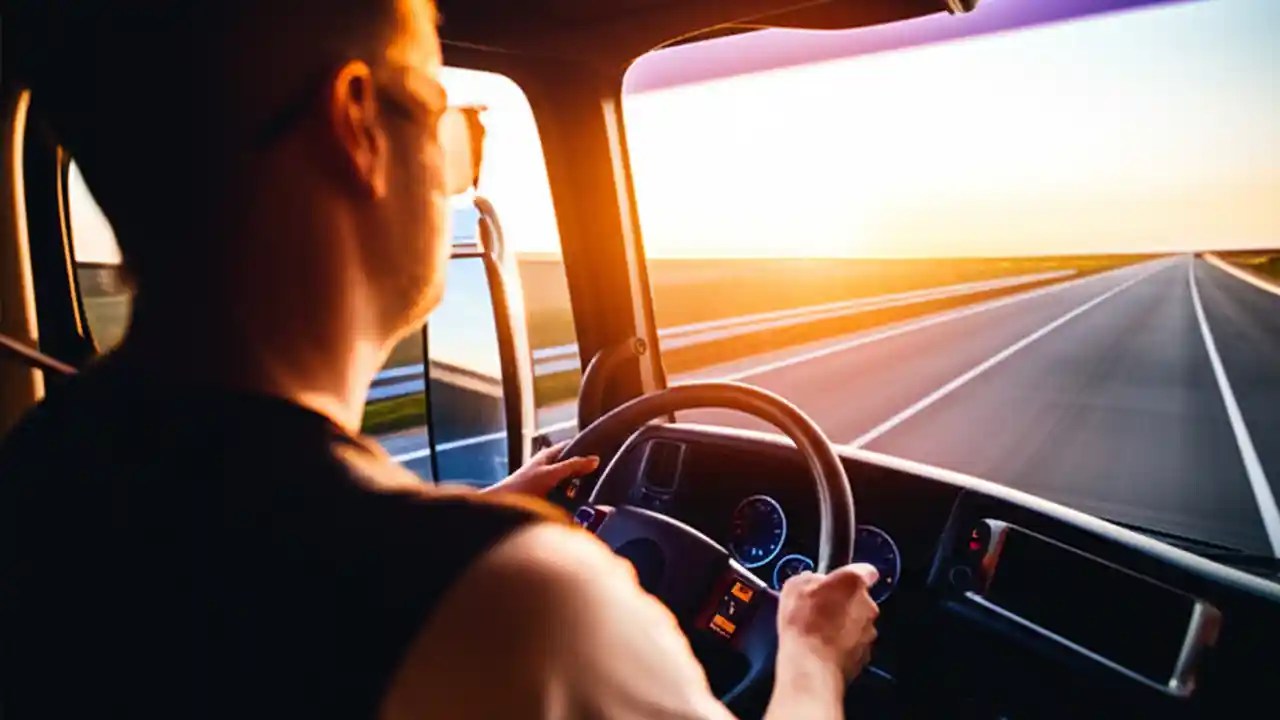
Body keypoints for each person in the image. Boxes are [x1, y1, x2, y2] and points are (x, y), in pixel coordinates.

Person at [0, 1, 880, 717]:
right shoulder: (522, 611)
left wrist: (476, 514)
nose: (460, 169)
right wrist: (809, 655)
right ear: (358, 127)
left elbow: (240, 573)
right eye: (444, 118)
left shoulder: (37, 483)